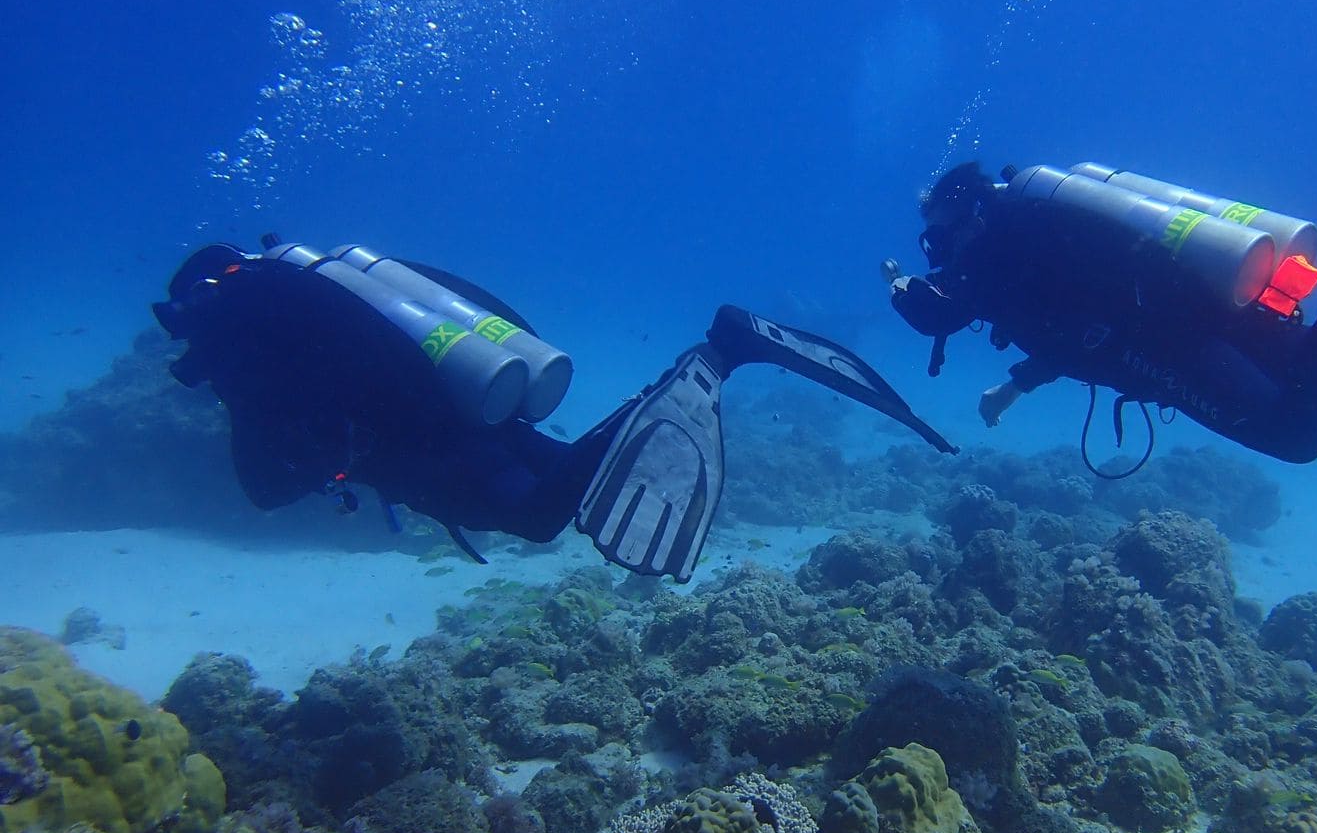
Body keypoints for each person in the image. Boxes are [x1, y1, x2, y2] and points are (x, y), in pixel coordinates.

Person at [154, 238, 954, 581]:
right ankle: (709, 356)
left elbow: (263, 482)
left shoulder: (240, 328)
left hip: (421, 442)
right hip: (472, 397)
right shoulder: (317, 287)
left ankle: (711, 355)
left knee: (541, 515)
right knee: (567, 488)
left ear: (200, 296)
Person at [887, 147, 1317, 471]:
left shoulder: (991, 250)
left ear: (961, 216)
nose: (935, 251)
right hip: (1221, 311)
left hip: (1179, 346)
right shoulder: (1033, 230)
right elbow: (1070, 314)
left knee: (1296, 435)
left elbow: (936, 315)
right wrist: (1015, 386)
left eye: (935, 236)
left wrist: (898, 287)